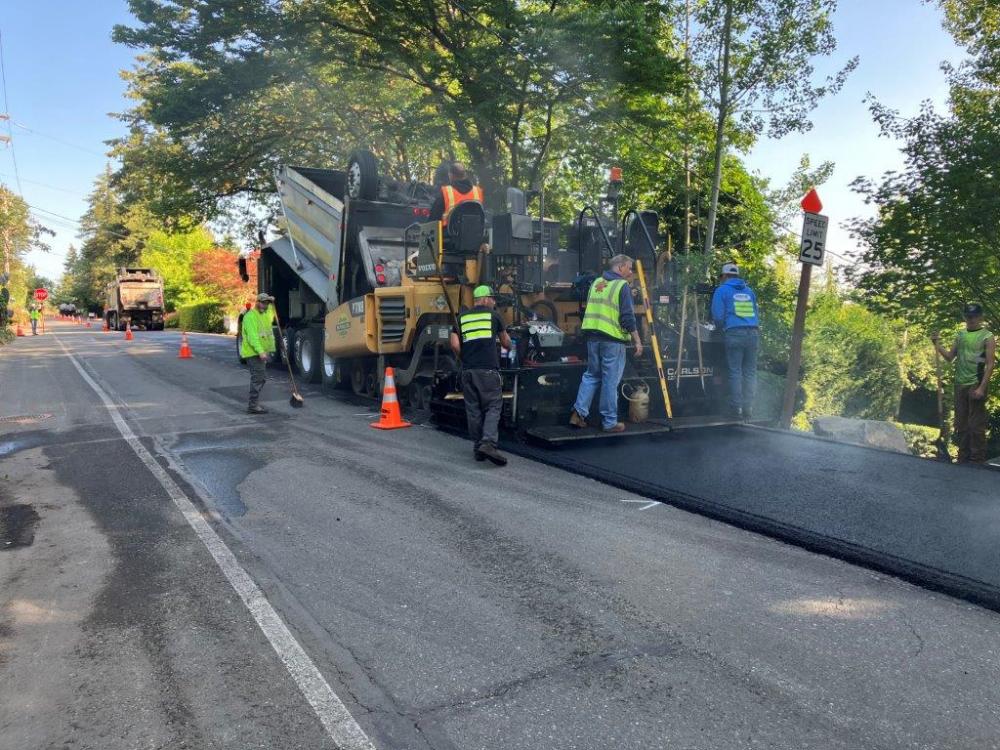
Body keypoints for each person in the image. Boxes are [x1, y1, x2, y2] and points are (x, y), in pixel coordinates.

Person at [569, 254, 643, 433]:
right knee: (610, 381)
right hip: (612, 340)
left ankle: (578, 414)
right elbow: (627, 317)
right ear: (620, 268)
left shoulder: (597, 283)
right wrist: (637, 340)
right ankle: (610, 422)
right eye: (629, 268)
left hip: (593, 338)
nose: (631, 271)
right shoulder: (621, 285)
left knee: (591, 376)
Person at [450, 285, 512, 465]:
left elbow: (454, 344)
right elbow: (506, 342)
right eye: (492, 298)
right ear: (484, 299)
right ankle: (489, 443)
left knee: (474, 410)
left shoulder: (461, 318)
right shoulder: (493, 316)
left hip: (468, 372)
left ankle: (478, 448)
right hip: (488, 371)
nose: (494, 302)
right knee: (493, 406)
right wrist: (510, 346)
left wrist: (464, 359)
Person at [932, 303, 996, 464]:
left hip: (976, 382)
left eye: (974, 316)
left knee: (975, 425)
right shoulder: (960, 335)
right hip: (960, 383)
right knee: (961, 423)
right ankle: (963, 458)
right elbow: (949, 357)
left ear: (980, 317)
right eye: (968, 316)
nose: (971, 319)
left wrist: (982, 387)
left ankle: (976, 460)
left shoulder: (987, 336)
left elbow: (990, 364)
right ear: (965, 317)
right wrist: (937, 345)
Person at [711, 262, 760, 422]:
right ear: (737, 276)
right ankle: (749, 408)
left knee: (735, 371)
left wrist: (721, 327)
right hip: (753, 333)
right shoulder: (749, 291)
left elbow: (718, 316)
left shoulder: (722, 290)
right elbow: (755, 313)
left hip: (734, 333)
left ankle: (736, 408)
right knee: (750, 372)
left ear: (724, 276)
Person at [240, 293, 277, 414]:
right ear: (257, 302)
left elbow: (271, 312)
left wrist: (272, 302)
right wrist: (260, 351)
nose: (264, 305)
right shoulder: (250, 317)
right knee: (258, 378)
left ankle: (253, 404)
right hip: (253, 353)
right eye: (262, 302)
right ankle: (253, 406)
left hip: (261, 352)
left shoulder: (266, 314)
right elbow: (252, 337)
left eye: (266, 303)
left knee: (261, 378)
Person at [429, 161, 484, 227]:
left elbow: (433, 219)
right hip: (474, 235)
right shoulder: (478, 192)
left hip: (449, 236)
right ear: (465, 175)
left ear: (450, 175)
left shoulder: (445, 192)